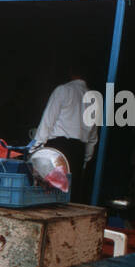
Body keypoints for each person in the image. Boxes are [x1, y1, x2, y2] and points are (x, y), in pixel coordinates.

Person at [32, 72, 95, 202]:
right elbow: (93, 135)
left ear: (71, 71)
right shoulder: (93, 98)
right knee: (71, 195)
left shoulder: (63, 90)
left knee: (51, 194)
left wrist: (35, 148)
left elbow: (48, 121)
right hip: (78, 150)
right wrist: (86, 158)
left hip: (58, 149)